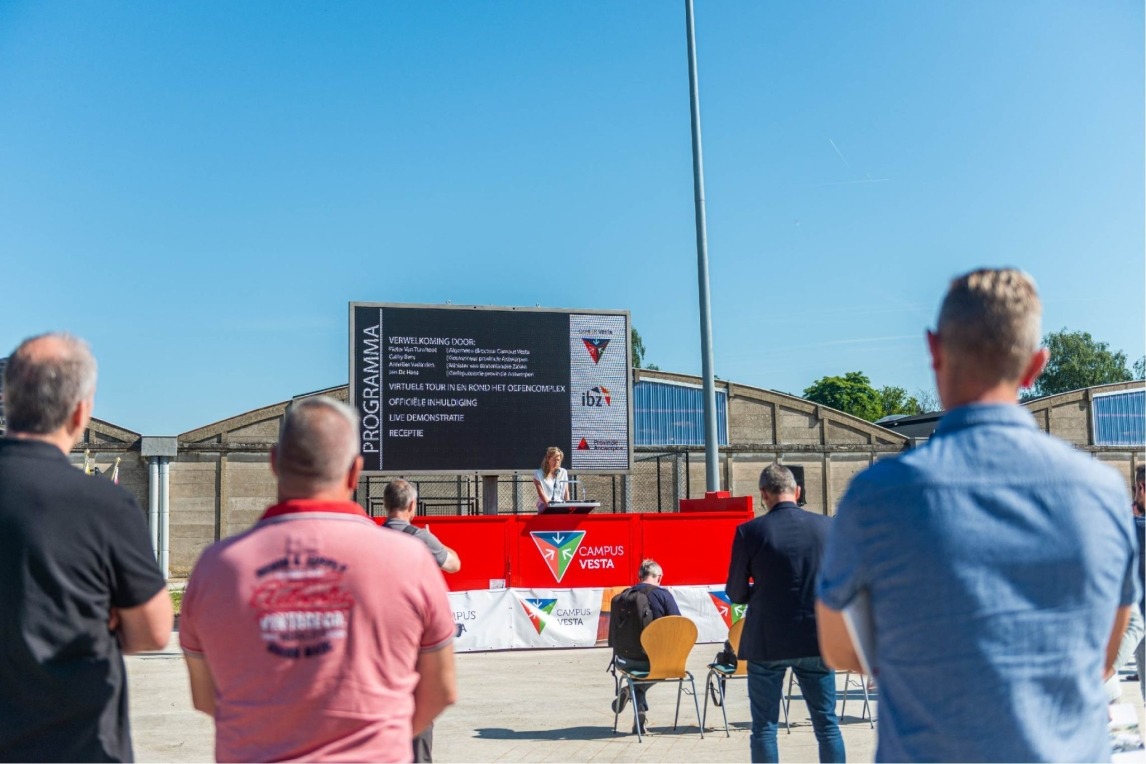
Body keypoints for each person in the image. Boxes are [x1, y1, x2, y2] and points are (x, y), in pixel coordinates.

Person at [816, 268, 1140, 762]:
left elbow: (839, 650)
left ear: (934, 349)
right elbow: (1103, 655)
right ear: (1036, 366)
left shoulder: (876, 497)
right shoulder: (1102, 493)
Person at [180, 397, 457, 762]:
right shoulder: (411, 561)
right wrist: (378, 739)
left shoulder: (215, 569)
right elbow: (441, 688)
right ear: (355, 472)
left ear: (274, 462)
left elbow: (206, 698)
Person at [0, 332, 172, 762]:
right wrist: (103, 617)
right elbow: (153, 630)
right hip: (81, 745)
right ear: (80, 412)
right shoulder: (104, 505)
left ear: (9, 401)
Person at [725, 464, 844, 764]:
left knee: (764, 727)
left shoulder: (749, 532)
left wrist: (763, 595)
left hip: (767, 641)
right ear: (798, 491)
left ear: (763, 494)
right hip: (817, 639)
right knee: (827, 725)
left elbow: (736, 593)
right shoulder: (828, 528)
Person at [382, 477, 461, 761]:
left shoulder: (374, 538)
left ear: (385, 504)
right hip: (412, 638)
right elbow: (454, 564)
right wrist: (437, 543)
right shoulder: (421, 537)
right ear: (412, 505)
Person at [610, 559, 681, 733]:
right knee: (667, 668)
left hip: (625, 661)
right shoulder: (663, 595)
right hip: (654, 662)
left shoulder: (624, 596)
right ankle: (631, 690)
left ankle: (638, 708)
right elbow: (679, 627)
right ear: (659, 577)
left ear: (639, 576)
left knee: (635, 676)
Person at [533, 446, 569, 512]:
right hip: (545, 506)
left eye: (558, 460)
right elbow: (541, 493)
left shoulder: (563, 472)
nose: (556, 462)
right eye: (554, 459)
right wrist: (550, 506)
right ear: (548, 459)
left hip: (560, 505)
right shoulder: (538, 473)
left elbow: (566, 492)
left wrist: (569, 507)